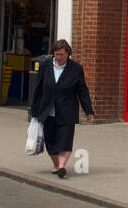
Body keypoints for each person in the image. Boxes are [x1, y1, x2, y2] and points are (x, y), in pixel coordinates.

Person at [29, 40, 94, 178]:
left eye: (62, 55)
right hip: (47, 110)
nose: (58, 57)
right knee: (51, 142)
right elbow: (38, 89)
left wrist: (88, 110)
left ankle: (62, 166)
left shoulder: (76, 69)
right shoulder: (45, 66)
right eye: (56, 54)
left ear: (68, 53)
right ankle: (57, 165)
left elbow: (82, 90)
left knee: (65, 140)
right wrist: (34, 110)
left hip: (67, 110)